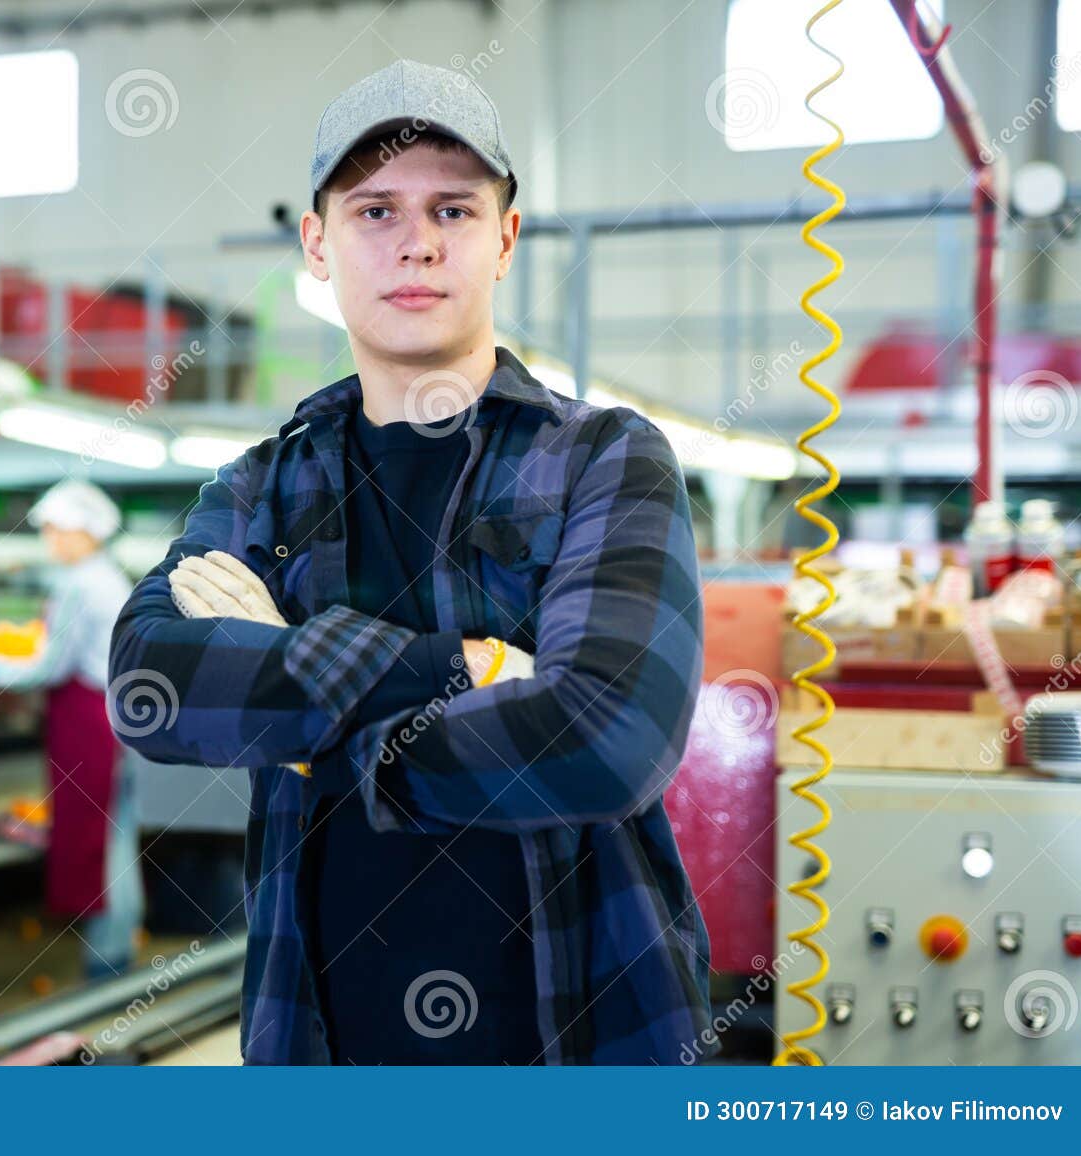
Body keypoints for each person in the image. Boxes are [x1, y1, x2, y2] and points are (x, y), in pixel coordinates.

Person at [108, 60, 713, 1064]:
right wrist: (457, 669)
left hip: (582, 1036)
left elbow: (608, 738)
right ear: (317, 242)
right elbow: (148, 687)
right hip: (320, 1042)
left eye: (455, 209)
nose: (417, 241)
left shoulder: (605, 458)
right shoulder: (261, 486)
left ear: (506, 238)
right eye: (375, 209)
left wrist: (306, 717)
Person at [0, 478, 144, 980]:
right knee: (116, 835)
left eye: (54, 529)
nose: (49, 540)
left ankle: (106, 966)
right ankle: (118, 958)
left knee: (97, 840)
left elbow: (51, 666)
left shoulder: (79, 583)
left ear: (82, 532)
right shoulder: (111, 577)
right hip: (119, 718)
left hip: (89, 722)